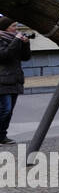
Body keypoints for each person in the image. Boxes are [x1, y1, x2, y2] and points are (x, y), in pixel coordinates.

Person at [0, 17, 33, 146]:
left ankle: (2, 136)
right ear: (5, 28)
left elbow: (26, 57)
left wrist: (26, 43)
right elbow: (4, 56)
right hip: (2, 80)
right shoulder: (2, 39)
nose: (17, 29)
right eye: (14, 26)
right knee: (5, 109)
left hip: (15, 79)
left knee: (9, 111)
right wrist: (17, 40)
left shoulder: (15, 39)